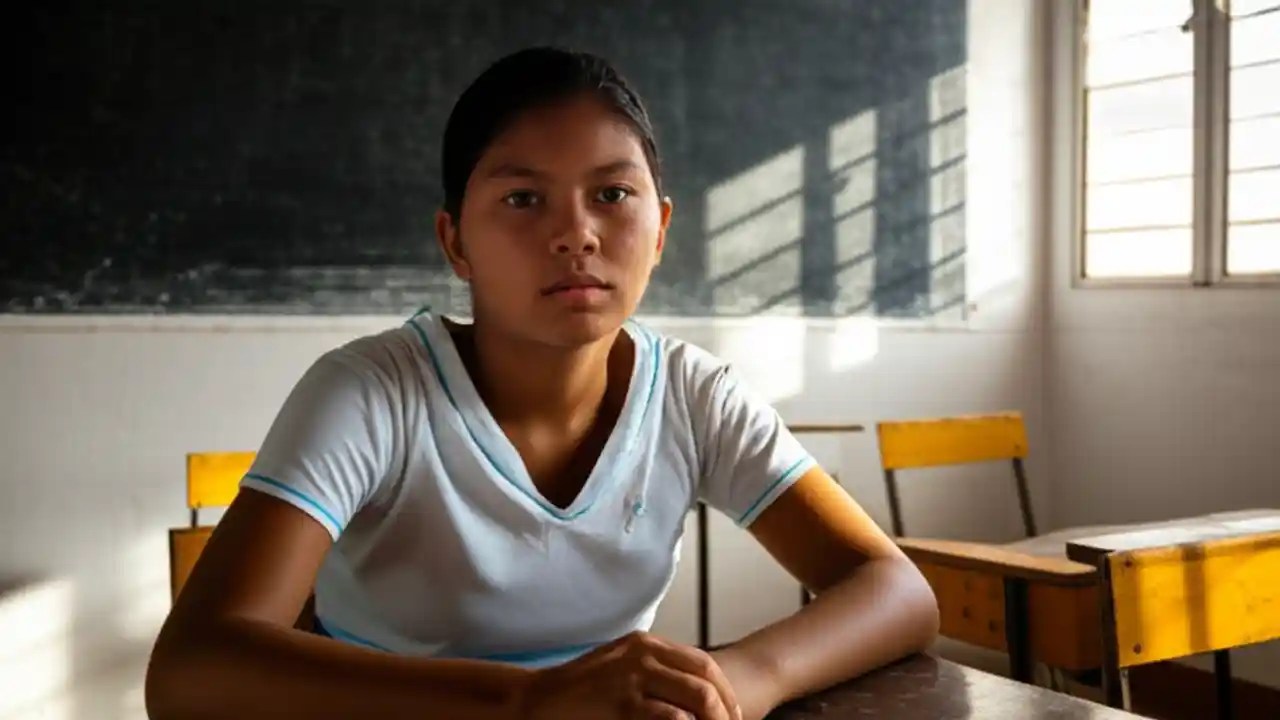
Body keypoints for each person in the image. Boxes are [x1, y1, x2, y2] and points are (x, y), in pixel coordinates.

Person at [145, 46, 938, 720]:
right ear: (456, 242)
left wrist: (733, 680)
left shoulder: (693, 396)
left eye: (612, 195)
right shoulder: (373, 393)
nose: (576, 234)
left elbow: (897, 591)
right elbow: (190, 669)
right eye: (523, 199)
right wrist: (528, 703)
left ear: (660, 230)